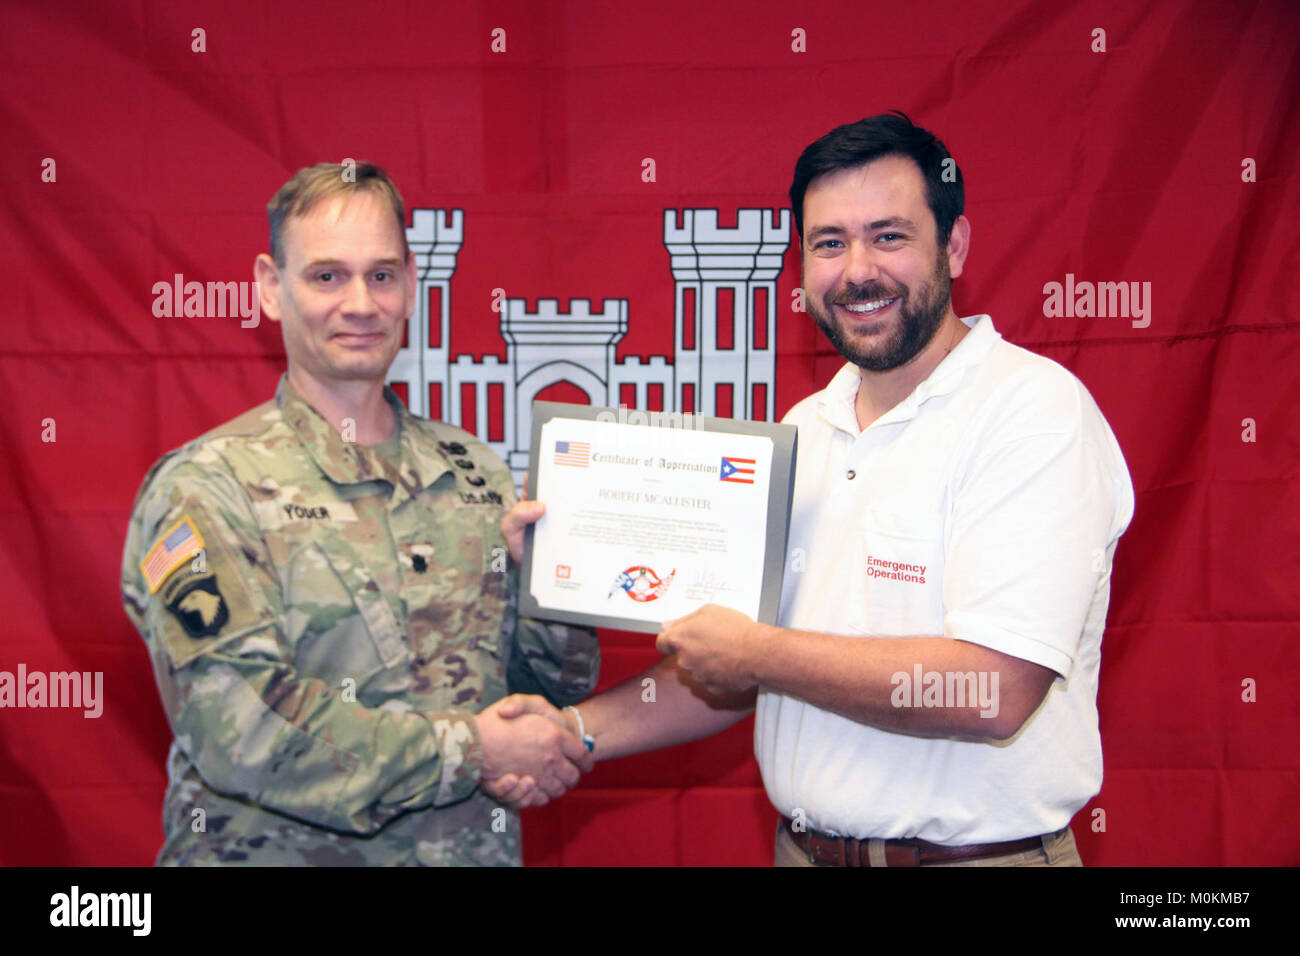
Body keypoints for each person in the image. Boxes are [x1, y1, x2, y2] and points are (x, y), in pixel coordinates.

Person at [493, 112, 1134, 867]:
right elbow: (727, 670)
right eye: (829, 243)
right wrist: (574, 728)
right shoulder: (805, 426)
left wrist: (761, 653)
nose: (857, 270)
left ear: (953, 246)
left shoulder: (1030, 410)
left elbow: (990, 691)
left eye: (889, 235)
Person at [120, 162, 597, 866]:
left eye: (380, 276)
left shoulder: (477, 474)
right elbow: (241, 729)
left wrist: (551, 595)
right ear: (268, 288)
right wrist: (473, 750)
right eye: (326, 277)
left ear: (409, 284)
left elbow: (544, 692)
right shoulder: (207, 488)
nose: (360, 304)